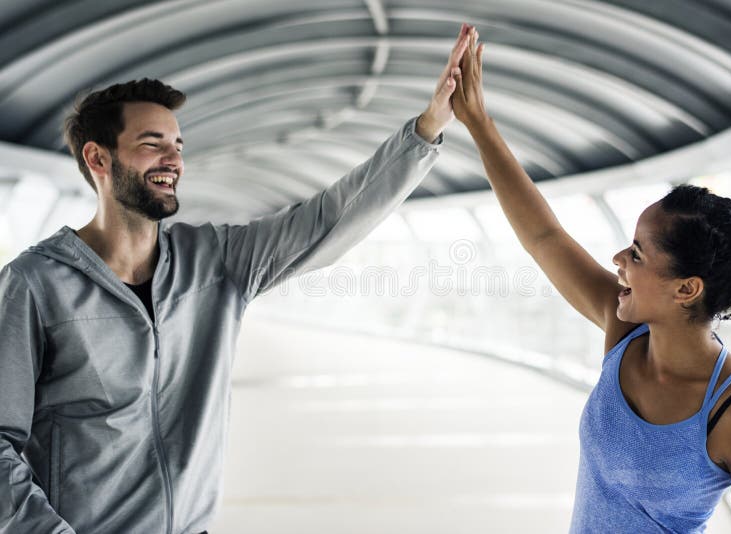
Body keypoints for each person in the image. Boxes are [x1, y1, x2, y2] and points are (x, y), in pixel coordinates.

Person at [0, 24, 472, 534]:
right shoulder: (34, 285)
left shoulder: (216, 260)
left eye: (178, 146)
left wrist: (427, 128)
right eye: (152, 144)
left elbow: (328, 219)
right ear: (98, 158)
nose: (174, 160)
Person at [451, 26, 731, 533]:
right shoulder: (627, 335)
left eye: (636, 253)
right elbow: (544, 235)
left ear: (687, 288)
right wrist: (478, 123)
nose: (618, 259)